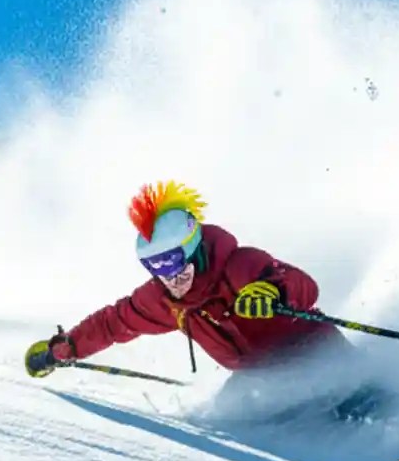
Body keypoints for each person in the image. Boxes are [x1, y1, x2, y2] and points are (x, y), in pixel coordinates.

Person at [23, 180, 381, 420]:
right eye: (154, 265)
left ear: (193, 248)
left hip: (322, 360)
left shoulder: (239, 266)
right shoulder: (165, 300)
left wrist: (270, 291)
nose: (168, 275)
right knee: (226, 421)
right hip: (262, 381)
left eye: (172, 261)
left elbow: (301, 285)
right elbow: (113, 323)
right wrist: (62, 350)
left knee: (359, 408)